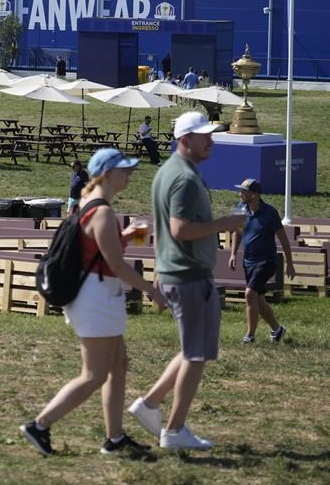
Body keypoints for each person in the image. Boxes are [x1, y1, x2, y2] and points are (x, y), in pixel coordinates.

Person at [20, 148, 167, 458]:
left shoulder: (93, 206)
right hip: (96, 298)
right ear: (107, 174)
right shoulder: (101, 212)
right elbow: (116, 264)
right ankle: (40, 425)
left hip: (100, 294)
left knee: (117, 364)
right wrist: (152, 291)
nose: (129, 174)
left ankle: (114, 439)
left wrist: (125, 236)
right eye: (124, 170)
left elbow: (100, 252)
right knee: (94, 374)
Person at [128, 111, 246, 451]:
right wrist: (224, 223)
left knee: (192, 350)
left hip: (179, 273)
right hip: (188, 274)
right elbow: (180, 229)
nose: (211, 140)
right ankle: (175, 429)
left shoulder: (169, 172)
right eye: (204, 135)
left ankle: (149, 405)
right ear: (185, 140)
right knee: (195, 355)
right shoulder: (183, 178)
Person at [230, 178, 295, 344]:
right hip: (248, 261)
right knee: (257, 297)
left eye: (244, 191)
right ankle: (277, 329)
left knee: (249, 294)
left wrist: (290, 263)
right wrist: (232, 254)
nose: (240, 194)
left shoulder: (270, 213)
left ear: (255, 194)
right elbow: (237, 233)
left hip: (266, 261)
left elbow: (283, 239)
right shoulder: (240, 209)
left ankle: (249, 336)